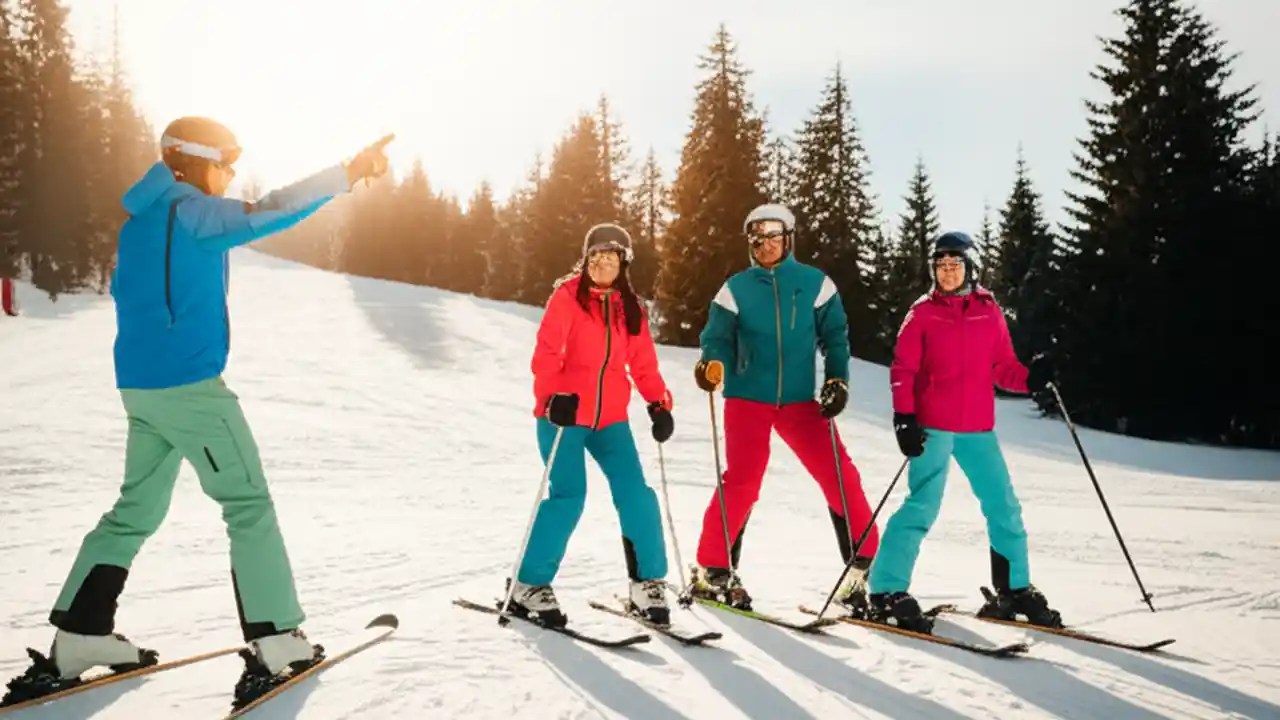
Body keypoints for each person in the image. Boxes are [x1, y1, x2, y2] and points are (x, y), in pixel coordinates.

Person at [1, 116, 392, 709]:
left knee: (134, 511)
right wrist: (350, 171)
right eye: (225, 164)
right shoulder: (192, 213)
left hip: (141, 389)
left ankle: (80, 637)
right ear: (191, 161)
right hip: (189, 388)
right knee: (247, 503)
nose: (230, 175)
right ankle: (277, 643)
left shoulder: (140, 221)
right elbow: (273, 209)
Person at [685, 203, 880, 613]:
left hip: (798, 401)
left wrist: (837, 380)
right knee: (743, 481)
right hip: (747, 397)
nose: (766, 245)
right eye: (757, 239)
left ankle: (863, 568)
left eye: (774, 236)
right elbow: (716, 338)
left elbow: (836, 338)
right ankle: (712, 569)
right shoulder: (735, 288)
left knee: (840, 475)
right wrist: (712, 364)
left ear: (788, 238)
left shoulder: (814, 284)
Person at [865, 230, 1062, 633]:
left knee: (1003, 506)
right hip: (933, 427)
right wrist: (904, 418)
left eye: (955, 265)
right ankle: (886, 590)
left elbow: (1002, 367)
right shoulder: (922, 313)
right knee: (922, 506)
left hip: (977, 429)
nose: (947, 272)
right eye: (940, 265)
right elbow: (903, 370)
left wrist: (1032, 379)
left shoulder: (989, 312)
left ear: (971, 268)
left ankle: (1014, 589)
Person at [504, 223, 676, 628]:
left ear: (623, 264)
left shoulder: (630, 308)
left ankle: (647, 584)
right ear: (585, 261)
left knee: (636, 494)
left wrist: (658, 404)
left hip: (611, 419)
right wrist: (553, 398)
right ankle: (528, 584)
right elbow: (546, 353)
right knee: (569, 495)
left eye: (611, 258)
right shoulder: (567, 297)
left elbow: (643, 364)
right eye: (596, 257)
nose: (603, 265)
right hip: (563, 416)